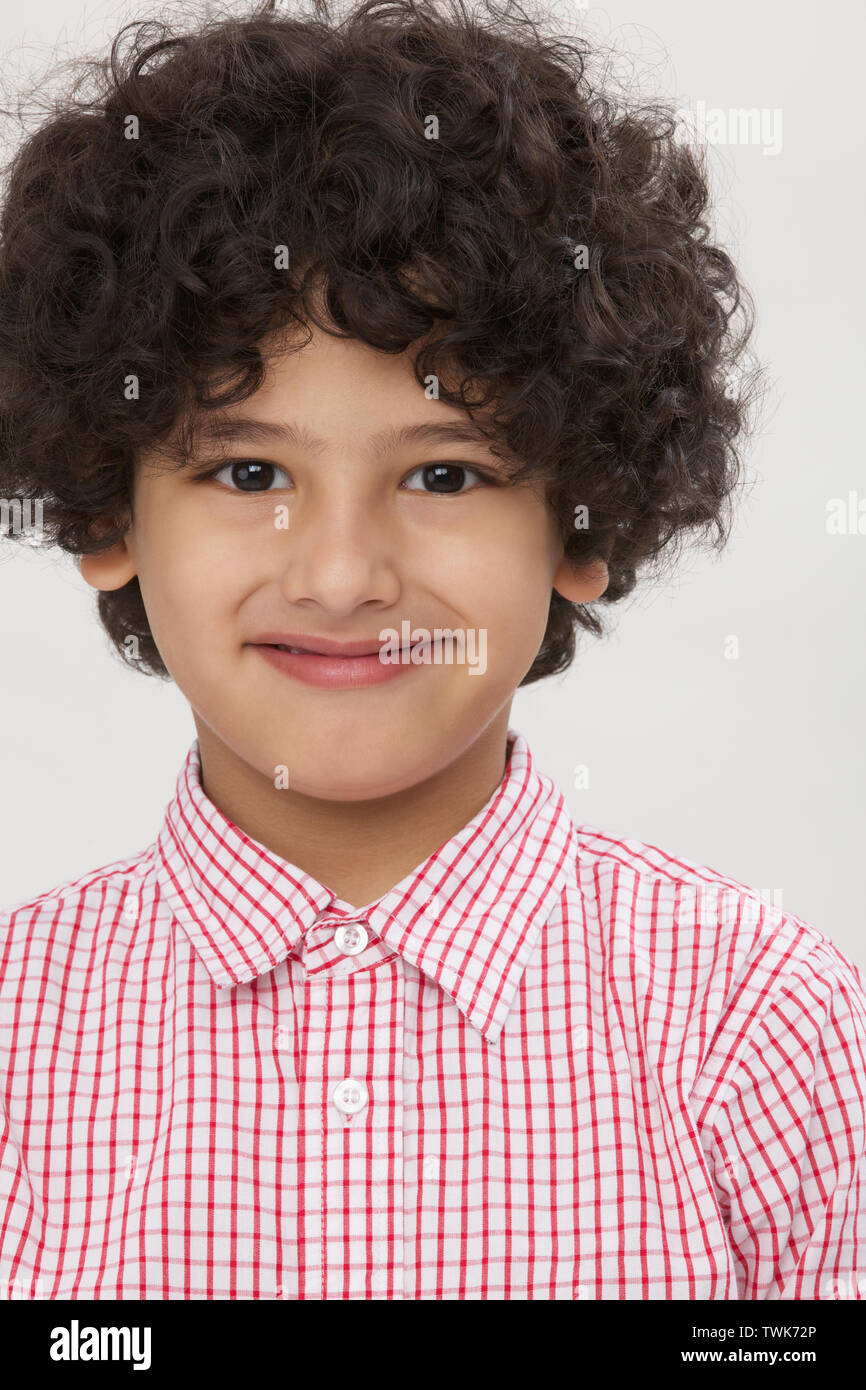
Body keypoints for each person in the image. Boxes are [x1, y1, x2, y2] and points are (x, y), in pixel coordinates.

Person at [0, 0, 863, 1300]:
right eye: (248, 469)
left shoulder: (763, 1032)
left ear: (581, 524)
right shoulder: (19, 1047)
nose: (342, 572)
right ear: (107, 510)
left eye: (446, 475)